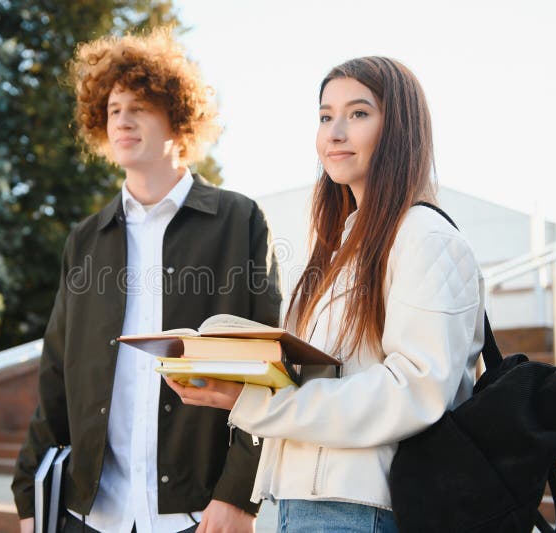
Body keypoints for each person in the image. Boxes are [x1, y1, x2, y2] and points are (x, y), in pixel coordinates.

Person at [165, 56, 487, 532]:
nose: (334, 132)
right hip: (304, 503)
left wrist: (255, 403)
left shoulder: (423, 236)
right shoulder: (339, 248)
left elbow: (414, 390)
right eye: (324, 115)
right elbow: (328, 371)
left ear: (400, 129)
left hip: (365, 510)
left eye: (358, 113)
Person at [11, 28, 281, 533]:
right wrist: (30, 499)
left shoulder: (239, 221)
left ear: (177, 117)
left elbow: (268, 369)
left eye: (140, 106)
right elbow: (55, 376)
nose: (123, 120)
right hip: (88, 514)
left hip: (197, 516)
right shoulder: (86, 239)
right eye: (113, 109)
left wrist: (239, 496)